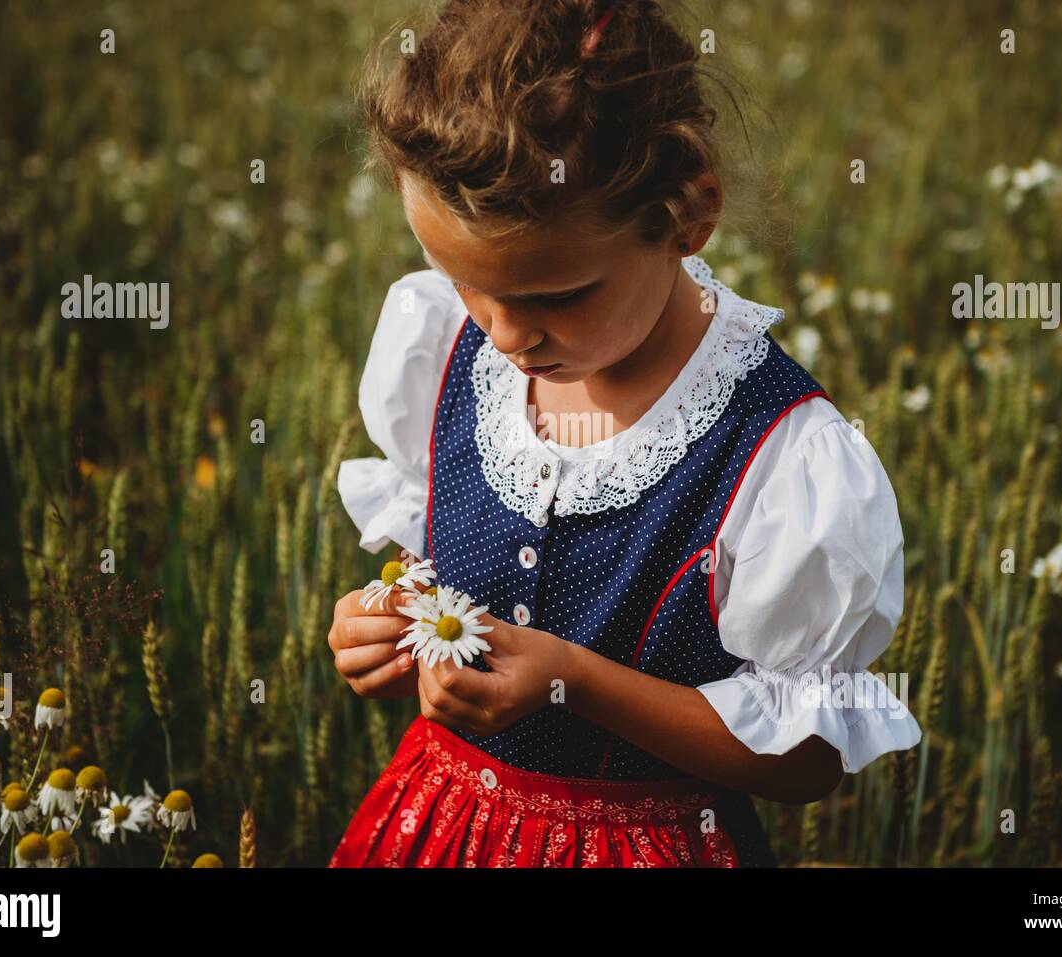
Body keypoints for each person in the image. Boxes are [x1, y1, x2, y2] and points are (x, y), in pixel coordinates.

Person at [326, 0, 921, 867]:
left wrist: (576, 682)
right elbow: (442, 566)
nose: (504, 335)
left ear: (688, 217)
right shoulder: (443, 352)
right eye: (462, 282)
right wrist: (393, 619)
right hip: (441, 826)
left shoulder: (778, 453)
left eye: (558, 297)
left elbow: (806, 761)